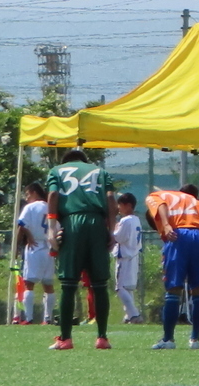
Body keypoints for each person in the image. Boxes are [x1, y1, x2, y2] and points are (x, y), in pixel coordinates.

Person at [46, 149, 116, 350]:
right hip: (96, 222)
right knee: (100, 283)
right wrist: (111, 230)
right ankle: (102, 337)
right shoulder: (100, 171)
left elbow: (53, 194)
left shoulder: (56, 171)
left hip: (72, 222)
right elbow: (111, 199)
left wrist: (52, 227)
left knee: (68, 283)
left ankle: (65, 338)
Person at [145, 183, 199, 349]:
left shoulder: (154, 196)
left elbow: (159, 205)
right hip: (198, 235)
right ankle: (195, 340)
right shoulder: (189, 198)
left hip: (178, 235)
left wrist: (166, 225)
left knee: (174, 288)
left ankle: (168, 339)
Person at [13, 182, 53, 324]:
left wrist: (18, 246)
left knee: (28, 282)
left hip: (34, 246)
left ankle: (28, 318)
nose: (27, 197)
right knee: (48, 284)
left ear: (35, 192)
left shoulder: (30, 207)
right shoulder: (51, 206)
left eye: (28, 194)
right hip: (49, 246)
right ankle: (48, 318)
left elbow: (21, 225)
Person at [108, 192, 144, 325]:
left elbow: (118, 237)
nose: (119, 208)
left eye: (120, 205)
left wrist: (114, 229)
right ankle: (128, 315)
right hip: (134, 255)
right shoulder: (136, 219)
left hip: (124, 256)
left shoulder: (126, 220)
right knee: (128, 288)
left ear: (128, 205)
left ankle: (134, 314)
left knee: (120, 288)